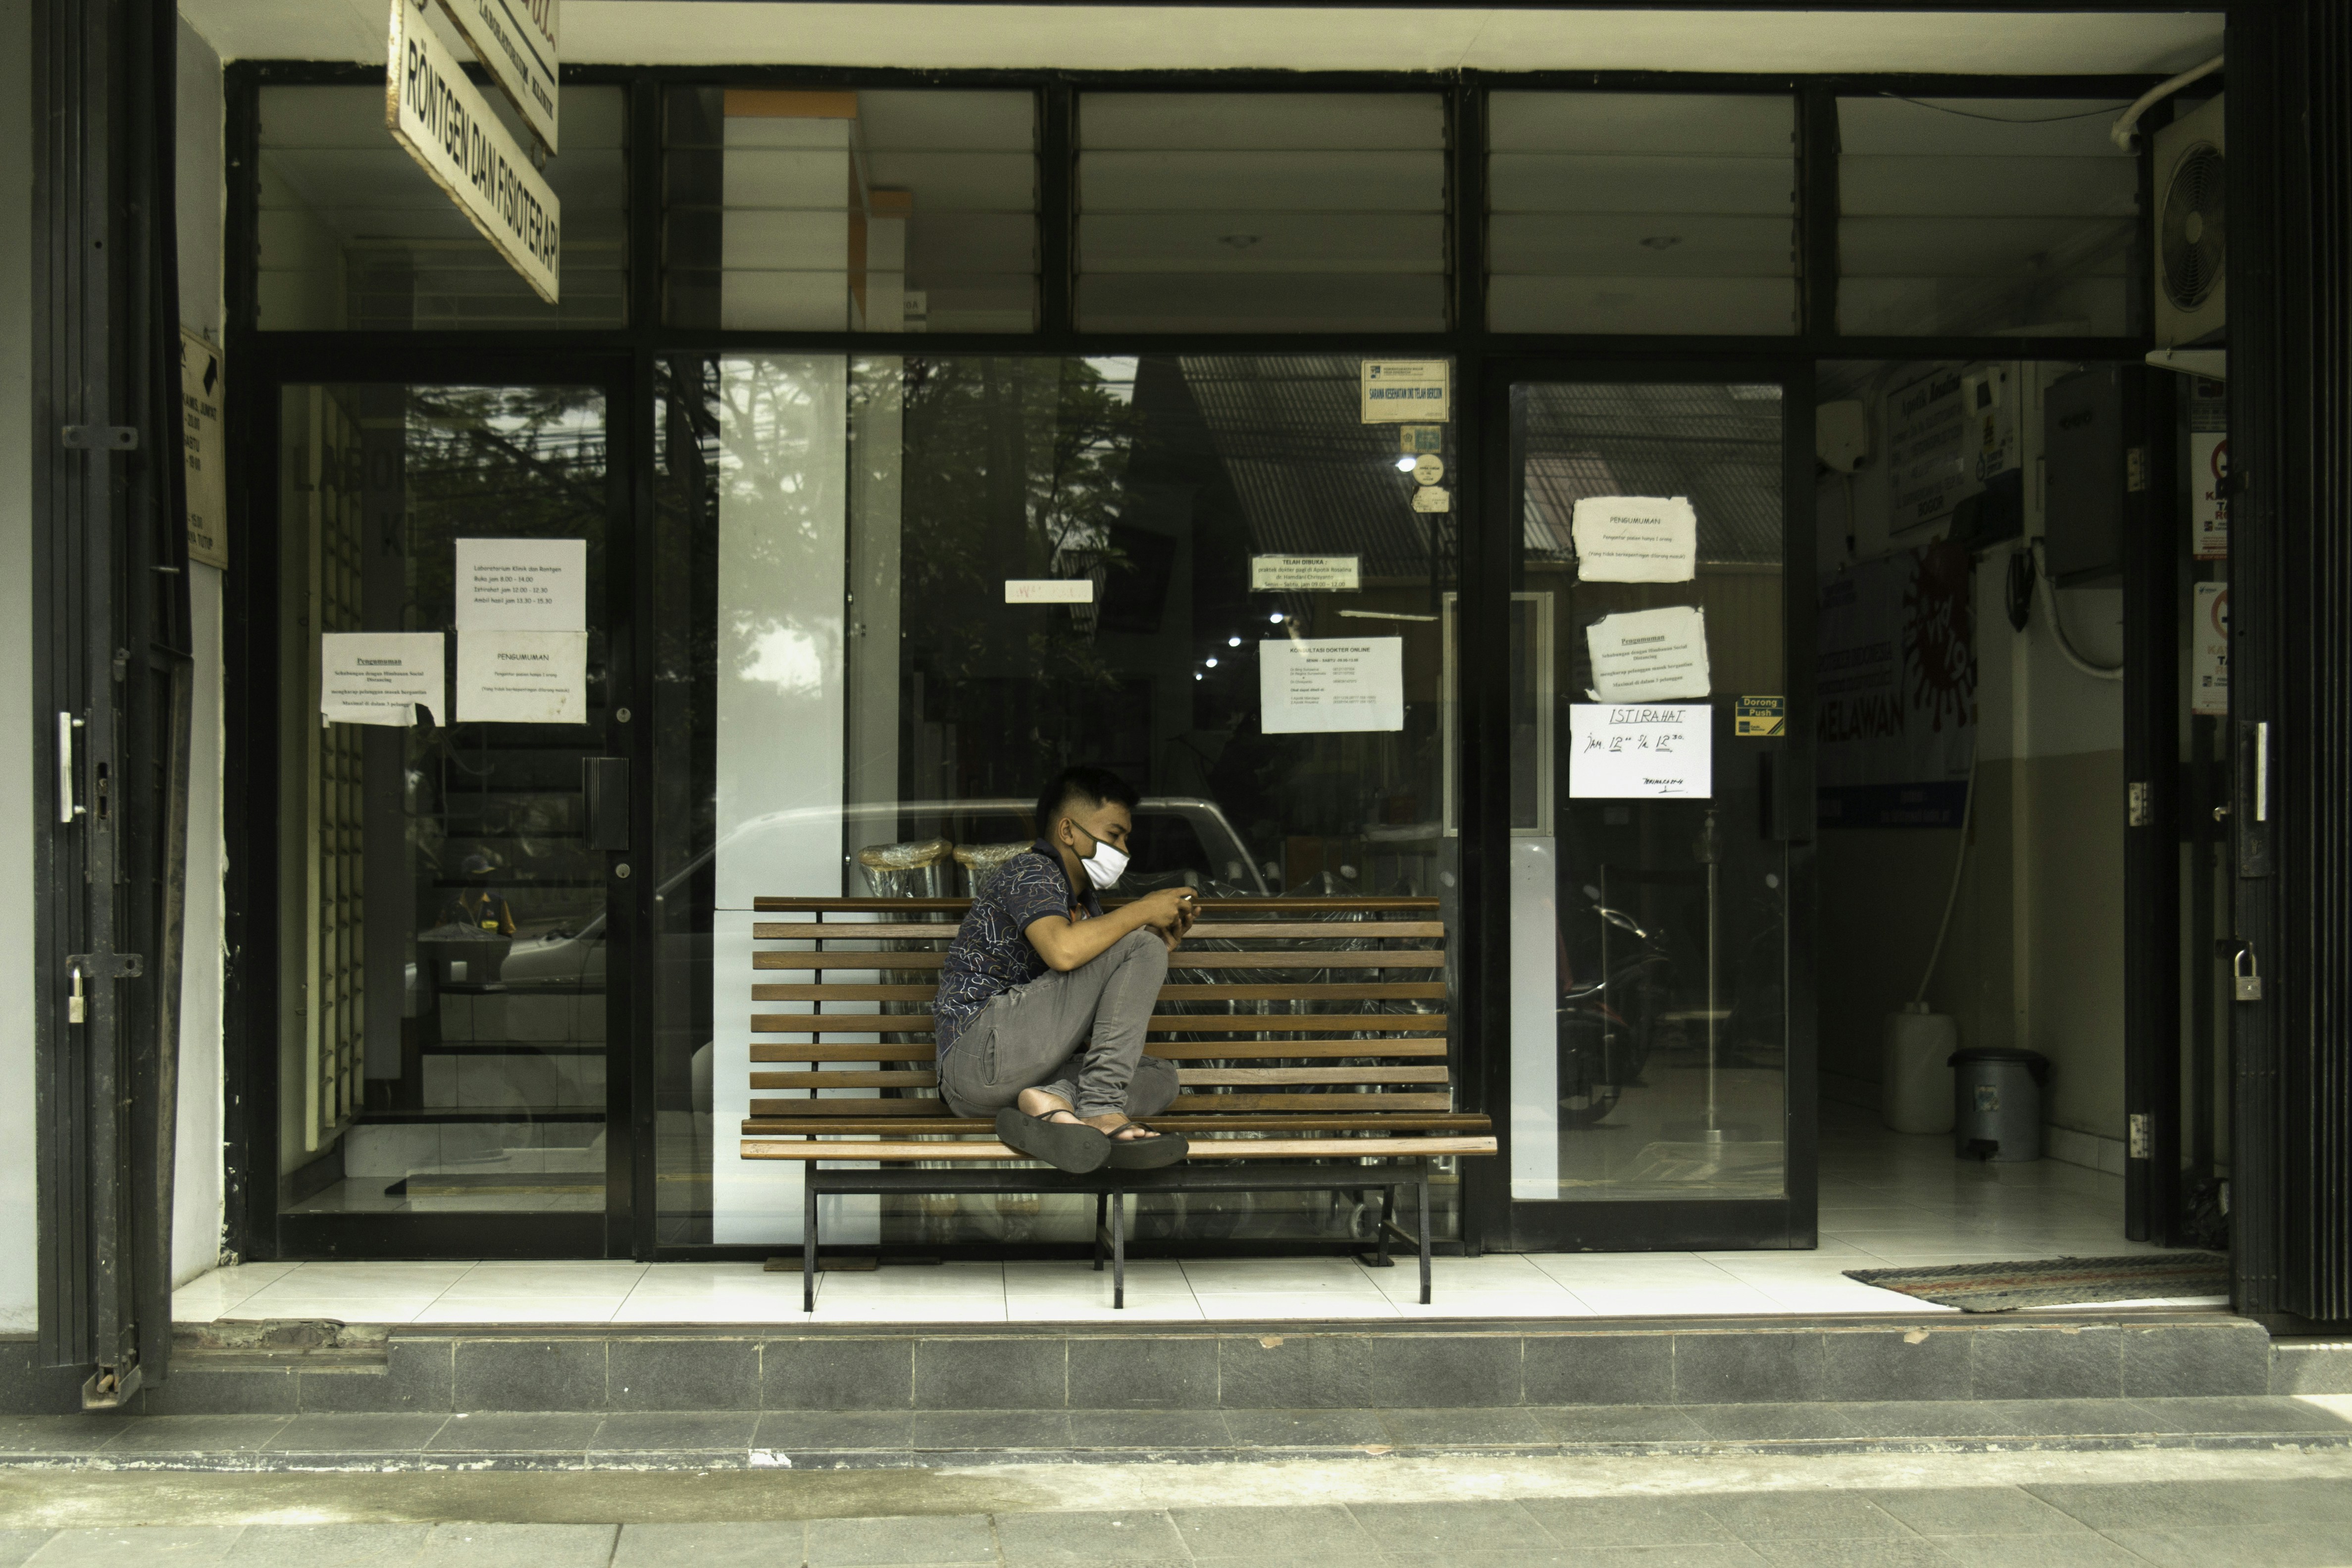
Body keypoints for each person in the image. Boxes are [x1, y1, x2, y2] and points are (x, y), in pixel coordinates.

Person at [933, 766, 1199, 1173]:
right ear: (1068, 830)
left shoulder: (1087, 906)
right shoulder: (1031, 871)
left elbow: (1093, 1033)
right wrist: (1142, 916)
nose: (1124, 849)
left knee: (1162, 1078)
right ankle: (1098, 1110)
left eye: (1126, 837)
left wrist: (1144, 957)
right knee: (1140, 946)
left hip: (1017, 1076)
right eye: (1114, 835)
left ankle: (1051, 1102)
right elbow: (1061, 951)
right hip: (976, 1055)